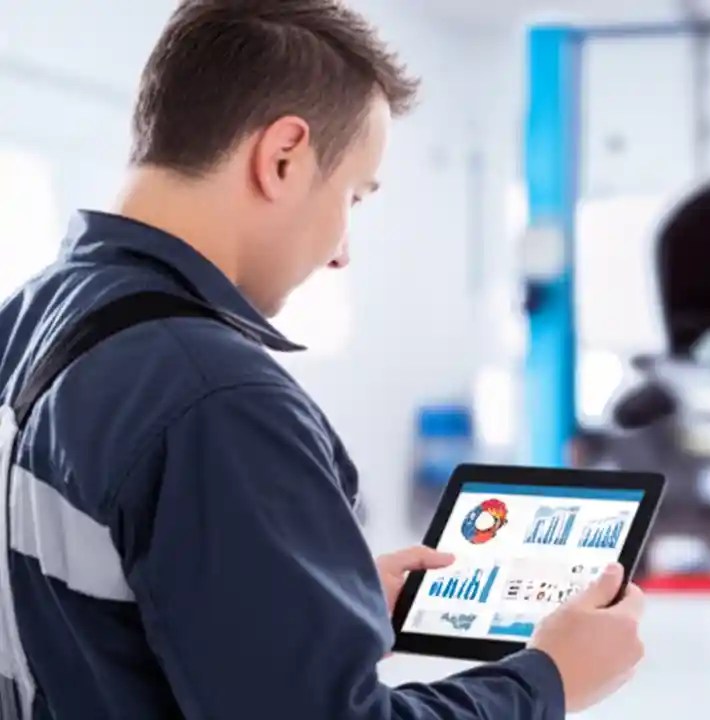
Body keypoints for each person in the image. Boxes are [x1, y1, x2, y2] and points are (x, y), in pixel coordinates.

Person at [0, 1, 645, 719]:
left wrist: (306, 598)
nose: (342, 251)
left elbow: (84, 614)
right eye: (353, 196)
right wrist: (549, 679)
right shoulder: (215, 396)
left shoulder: (30, 319)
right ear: (282, 158)